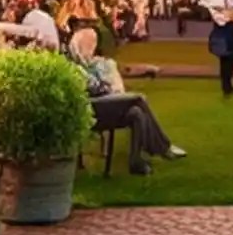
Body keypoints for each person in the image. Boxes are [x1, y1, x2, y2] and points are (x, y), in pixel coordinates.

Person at [67, 29, 186, 175]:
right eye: (90, 44)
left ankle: (135, 161)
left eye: (94, 43)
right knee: (139, 99)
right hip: (92, 108)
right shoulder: (75, 67)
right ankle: (163, 148)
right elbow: (95, 88)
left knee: (136, 113)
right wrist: (106, 81)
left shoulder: (97, 63)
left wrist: (108, 72)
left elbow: (113, 83)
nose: (93, 47)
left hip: (108, 104)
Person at [198, 0, 233, 96]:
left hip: (225, 27)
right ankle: (227, 86)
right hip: (226, 27)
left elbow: (221, 11)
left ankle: (227, 85)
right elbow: (223, 14)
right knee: (229, 58)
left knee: (227, 59)